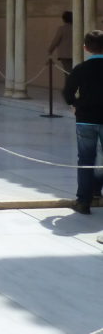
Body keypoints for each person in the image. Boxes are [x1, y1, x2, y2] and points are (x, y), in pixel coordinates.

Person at [62, 29, 103, 215]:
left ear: (85, 48)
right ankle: (96, 192)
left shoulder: (80, 68)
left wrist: (74, 104)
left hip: (86, 119)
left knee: (86, 159)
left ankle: (83, 201)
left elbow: (68, 91)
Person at [48, 11, 74, 75]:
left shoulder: (62, 29)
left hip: (65, 55)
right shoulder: (77, 28)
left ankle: (69, 85)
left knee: (68, 73)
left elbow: (56, 41)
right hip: (76, 54)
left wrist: (50, 50)